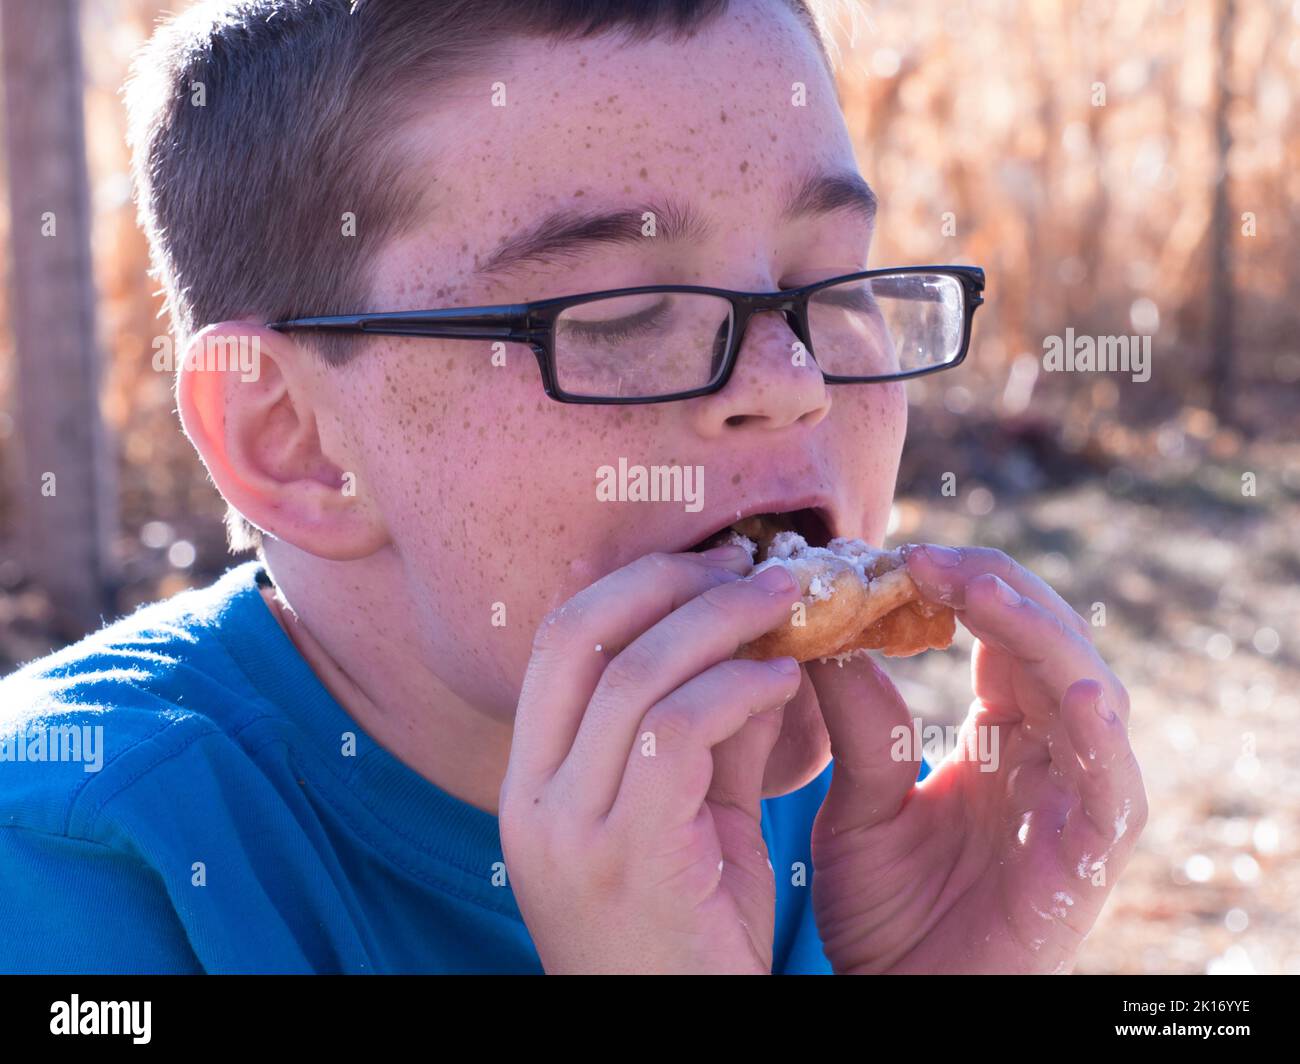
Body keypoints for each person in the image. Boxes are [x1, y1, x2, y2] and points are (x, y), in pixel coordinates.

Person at [0, 0, 1145, 974]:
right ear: (292, 436)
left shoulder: (837, 808)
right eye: (619, 315)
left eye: (826, 281)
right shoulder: (68, 858)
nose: (791, 381)